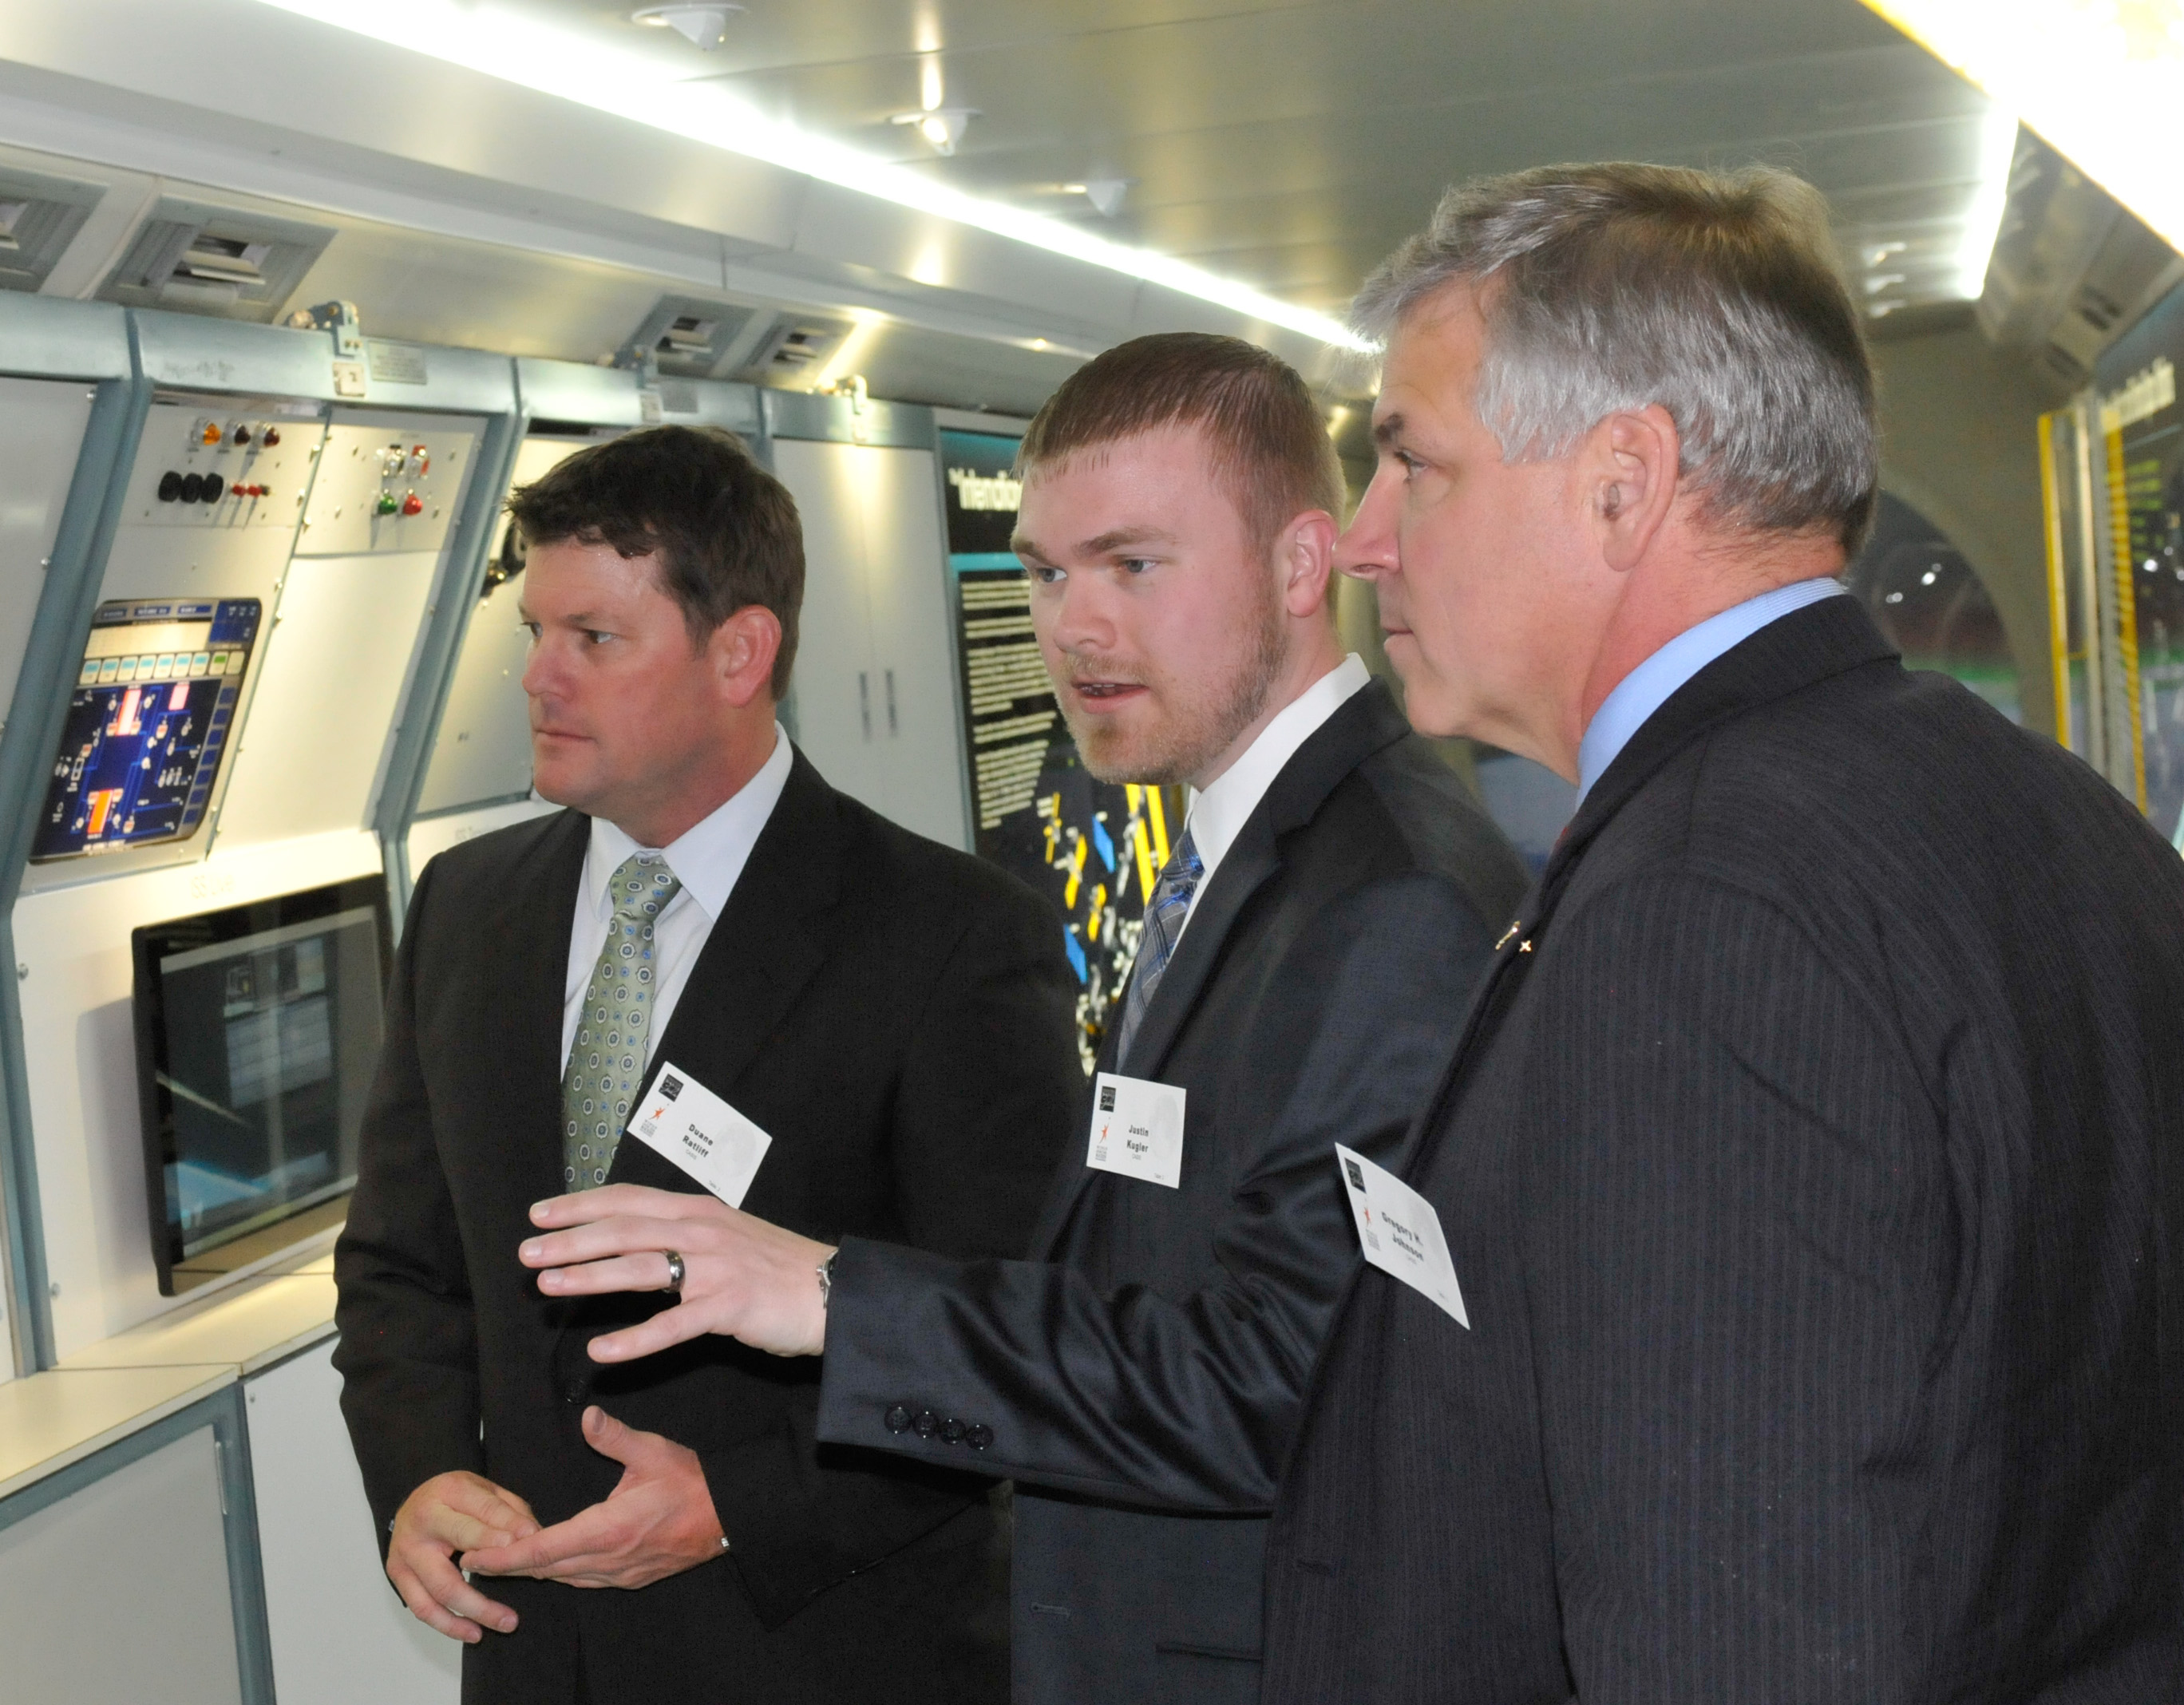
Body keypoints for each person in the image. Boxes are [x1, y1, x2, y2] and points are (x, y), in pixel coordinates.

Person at [1255, 163, 2184, 1701]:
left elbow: (1737, 1632)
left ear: (1621, 483)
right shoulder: (2045, 809)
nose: (1363, 541)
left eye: (1410, 463)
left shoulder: (1703, 917)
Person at [515, 334, 1529, 1705]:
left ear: (1302, 567)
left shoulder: (1388, 901)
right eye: (1046, 571)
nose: (1073, 625)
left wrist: (824, 1294)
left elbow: (1272, 1384)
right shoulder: (1245, 856)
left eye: (1133, 565)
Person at [331, 423, 1084, 1705]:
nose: (540, 679)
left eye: (596, 640)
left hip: (819, 1650)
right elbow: (404, 1265)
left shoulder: (947, 938)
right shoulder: (466, 908)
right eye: (534, 634)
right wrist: (415, 1478)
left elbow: (1005, 1338)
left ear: (741, 653)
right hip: (540, 1656)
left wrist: (743, 1504)